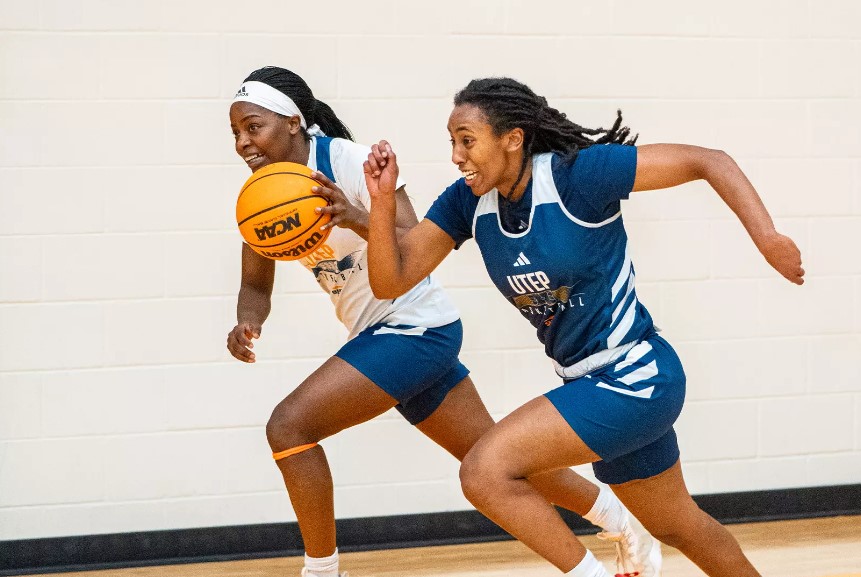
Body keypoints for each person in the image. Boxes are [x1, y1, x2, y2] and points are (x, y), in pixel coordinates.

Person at [226, 68, 662, 577]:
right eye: (235, 132)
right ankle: (623, 521)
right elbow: (256, 283)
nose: (242, 142)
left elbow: (412, 239)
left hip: (414, 325)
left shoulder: (345, 160)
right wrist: (246, 322)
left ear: (294, 121)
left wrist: (354, 214)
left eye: (252, 127)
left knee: (288, 426)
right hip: (382, 335)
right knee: (494, 460)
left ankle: (323, 571)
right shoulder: (264, 192)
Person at [363, 77, 805, 577]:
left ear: (513, 138)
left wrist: (767, 237)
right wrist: (380, 204)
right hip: (591, 384)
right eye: (452, 142)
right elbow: (390, 279)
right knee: (680, 527)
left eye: (467, 140)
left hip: (634, 375)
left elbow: (710, 160)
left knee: (484, 472)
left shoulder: (579, 176)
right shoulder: (468, 202)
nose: (456, 156)